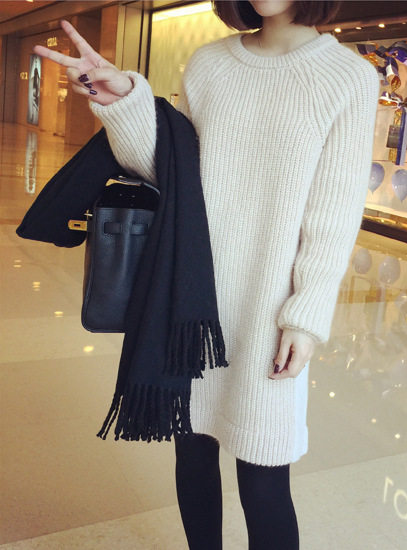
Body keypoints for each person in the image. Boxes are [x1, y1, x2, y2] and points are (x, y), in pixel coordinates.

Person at [33, 1, 379, 548]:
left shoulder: (348, 77)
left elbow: (333, 214)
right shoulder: (209, 64)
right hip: (189, 293)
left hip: (268, 306)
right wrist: (123, 101)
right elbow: (168, 173)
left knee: (264, 477)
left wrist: (305, 315)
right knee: (192, 453)